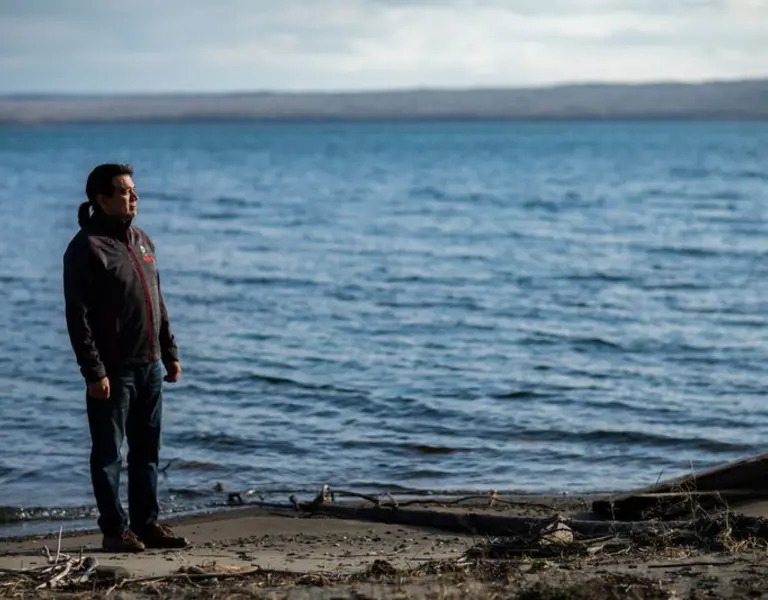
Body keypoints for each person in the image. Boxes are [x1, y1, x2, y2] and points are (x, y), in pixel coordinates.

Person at [63, 163, 188, 552]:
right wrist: (93, 371)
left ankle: (146, 525)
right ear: (100, 199)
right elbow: (77, 316)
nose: (134, 196)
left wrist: (169, 351)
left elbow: (156, 299)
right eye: (124, 191)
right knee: (108, 455)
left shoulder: (141, 240)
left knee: (147, 452)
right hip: (113, 373)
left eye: (134, 190)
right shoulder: (86, 248)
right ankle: (115, 531)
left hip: (150, 365)